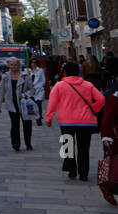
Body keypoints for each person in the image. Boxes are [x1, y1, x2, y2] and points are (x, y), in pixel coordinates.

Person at [45, 61, 105, 182]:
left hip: (67, 121)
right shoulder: (88, 85)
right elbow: (101, 99)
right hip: (86, 121)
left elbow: (52, 103)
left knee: (67, 145)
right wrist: (94, 109)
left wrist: (49, 117)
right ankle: (83, 173)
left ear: (65, 72)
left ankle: (71, 169)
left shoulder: (59, 85)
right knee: (84, 147)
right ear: (79, 72)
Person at [0, 58, 31, 151]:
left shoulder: (24, 76)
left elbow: (32, 89)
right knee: (14, 124)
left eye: (15, 65)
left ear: (18, 65)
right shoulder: (5, 76)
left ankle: (28, 143)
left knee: (27, 124)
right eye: (11, 65)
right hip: (11, 103)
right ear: (9, 65)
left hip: (23, 104)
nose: (13, 67)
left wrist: (25, 94)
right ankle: (15, 143)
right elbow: (1, 90)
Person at [99, 77, 118, 205]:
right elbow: (106, 120)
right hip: (116, 138)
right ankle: (106, 186)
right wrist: (106, 136)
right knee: (111, 164)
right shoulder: (114, 99)